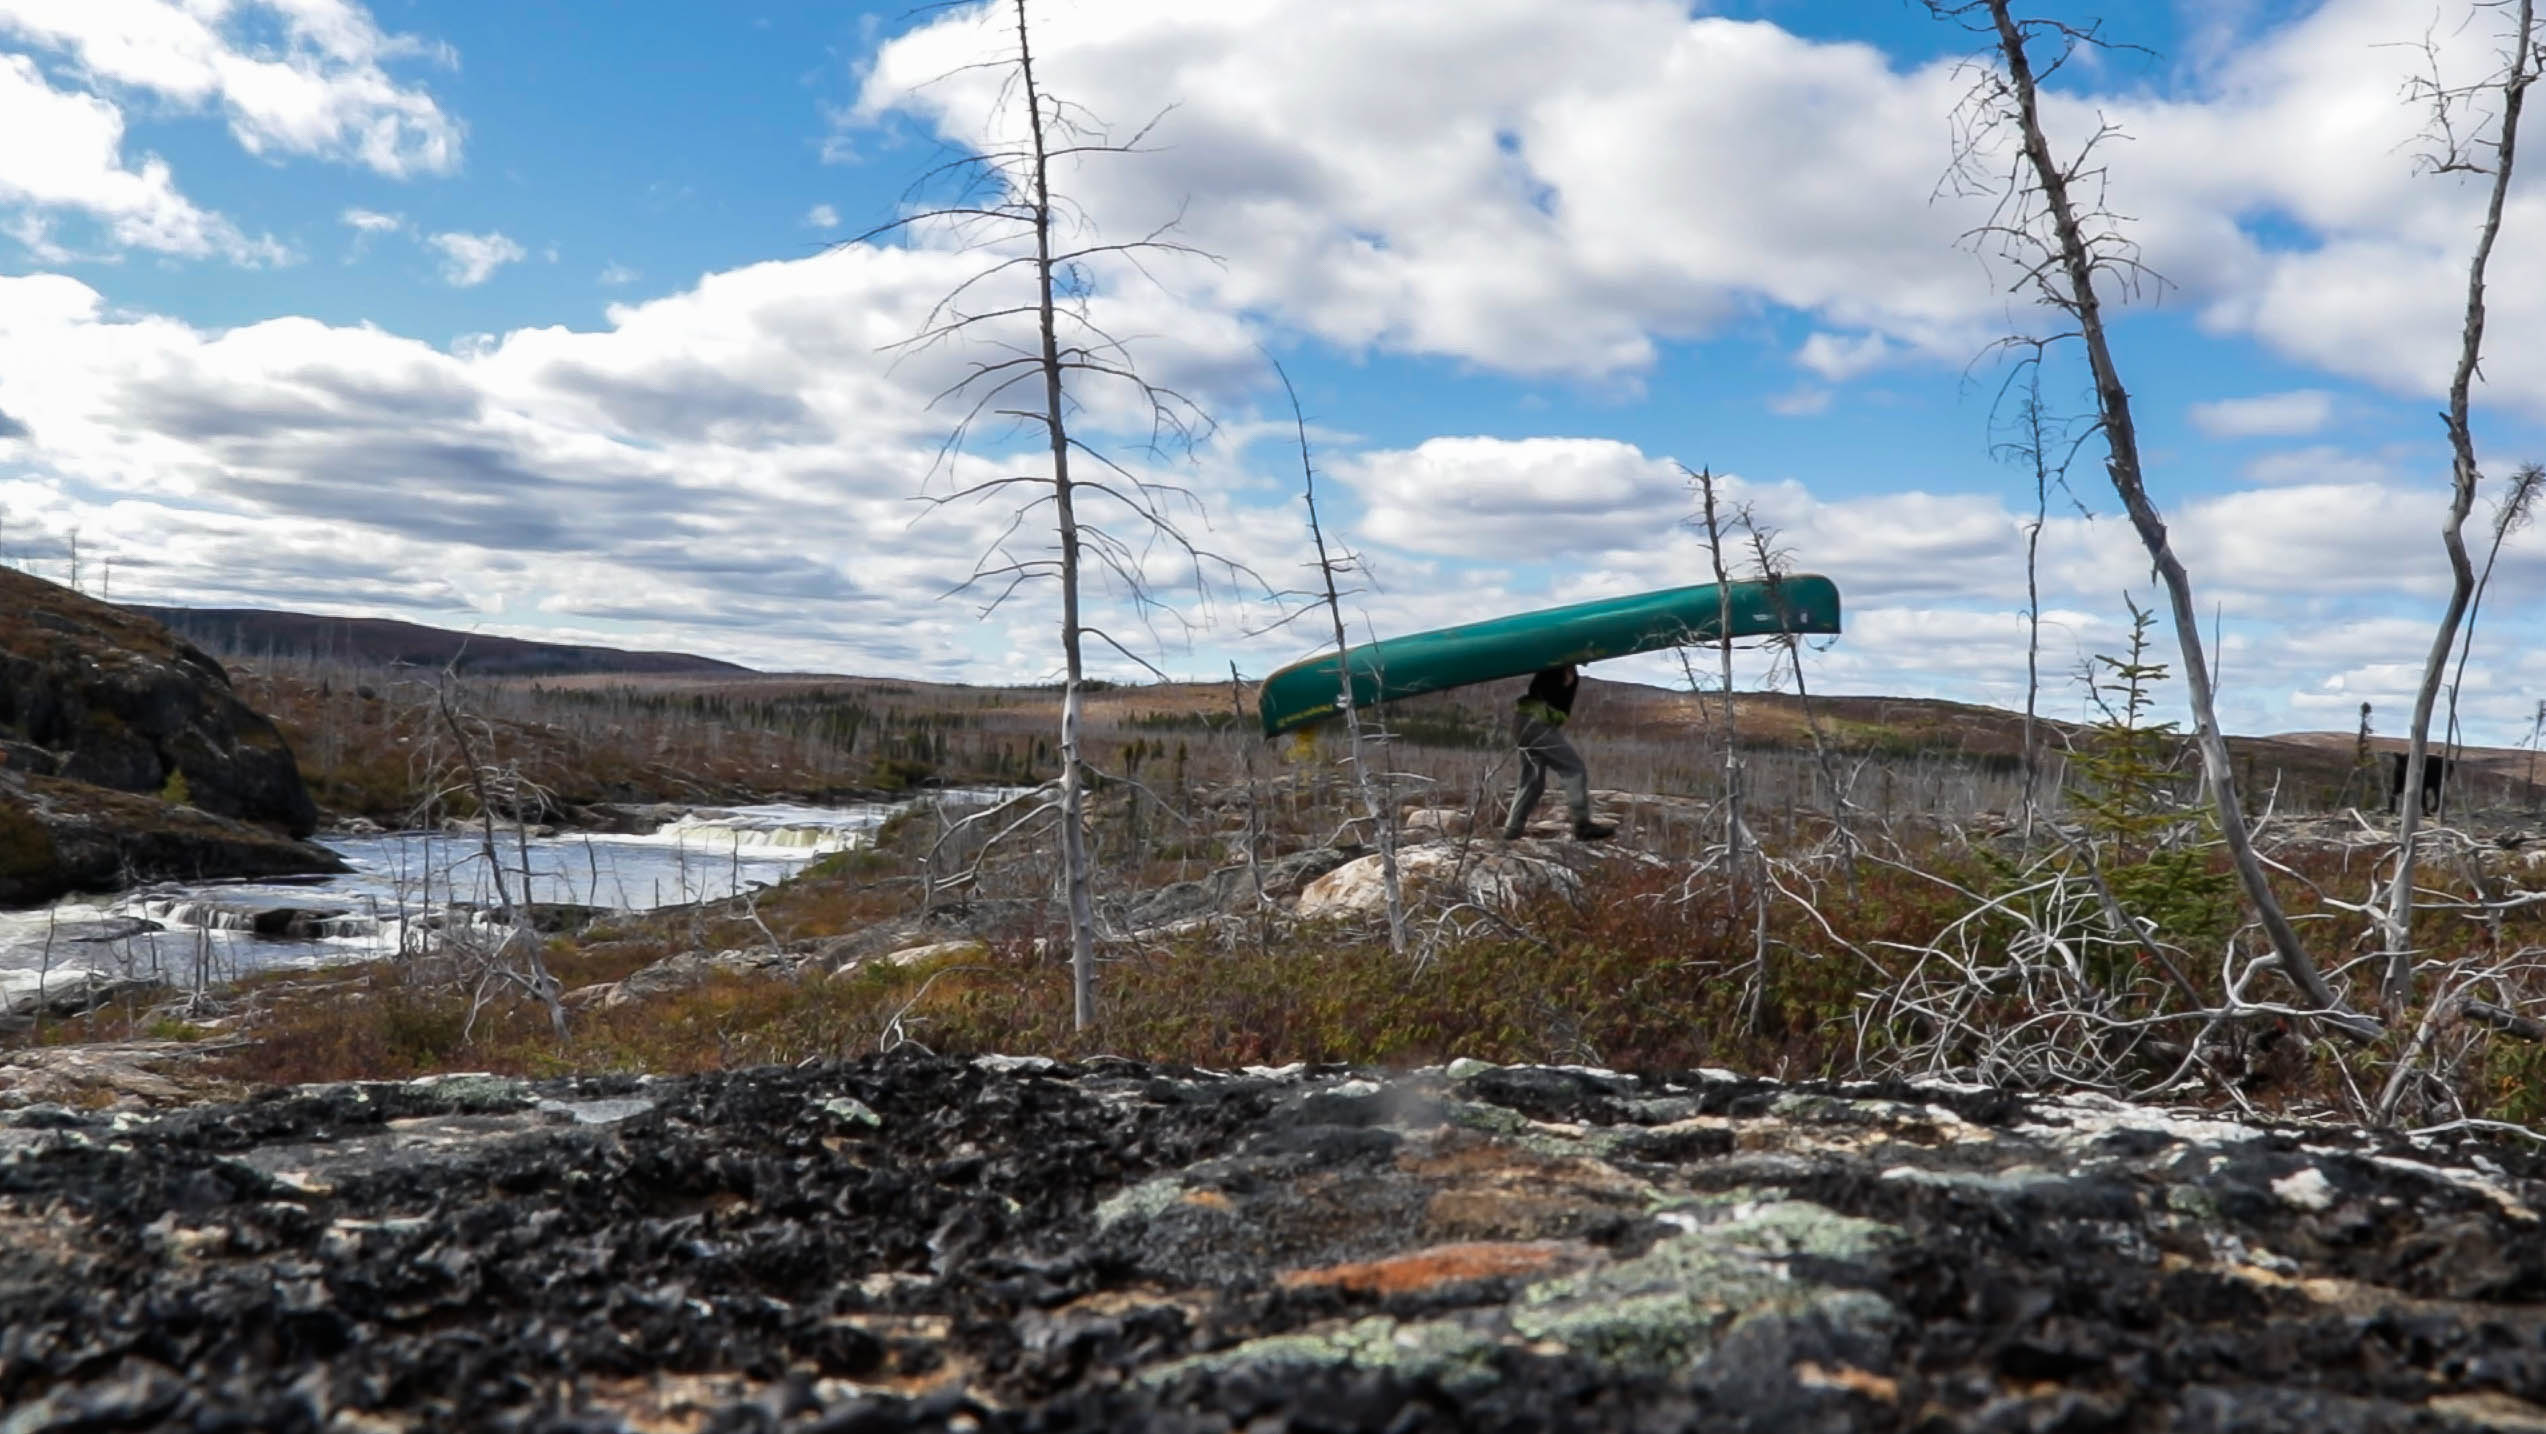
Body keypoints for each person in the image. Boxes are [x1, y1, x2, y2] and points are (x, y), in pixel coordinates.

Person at [1500, 663, 1615, 841]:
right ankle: (1582, 826)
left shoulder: (1561, 665)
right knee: (1573, 769)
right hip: (1535, 723)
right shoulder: (1555, 665)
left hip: (1525, 721)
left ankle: (1511, 831)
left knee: (1532, 782)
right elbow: (1546, 686)